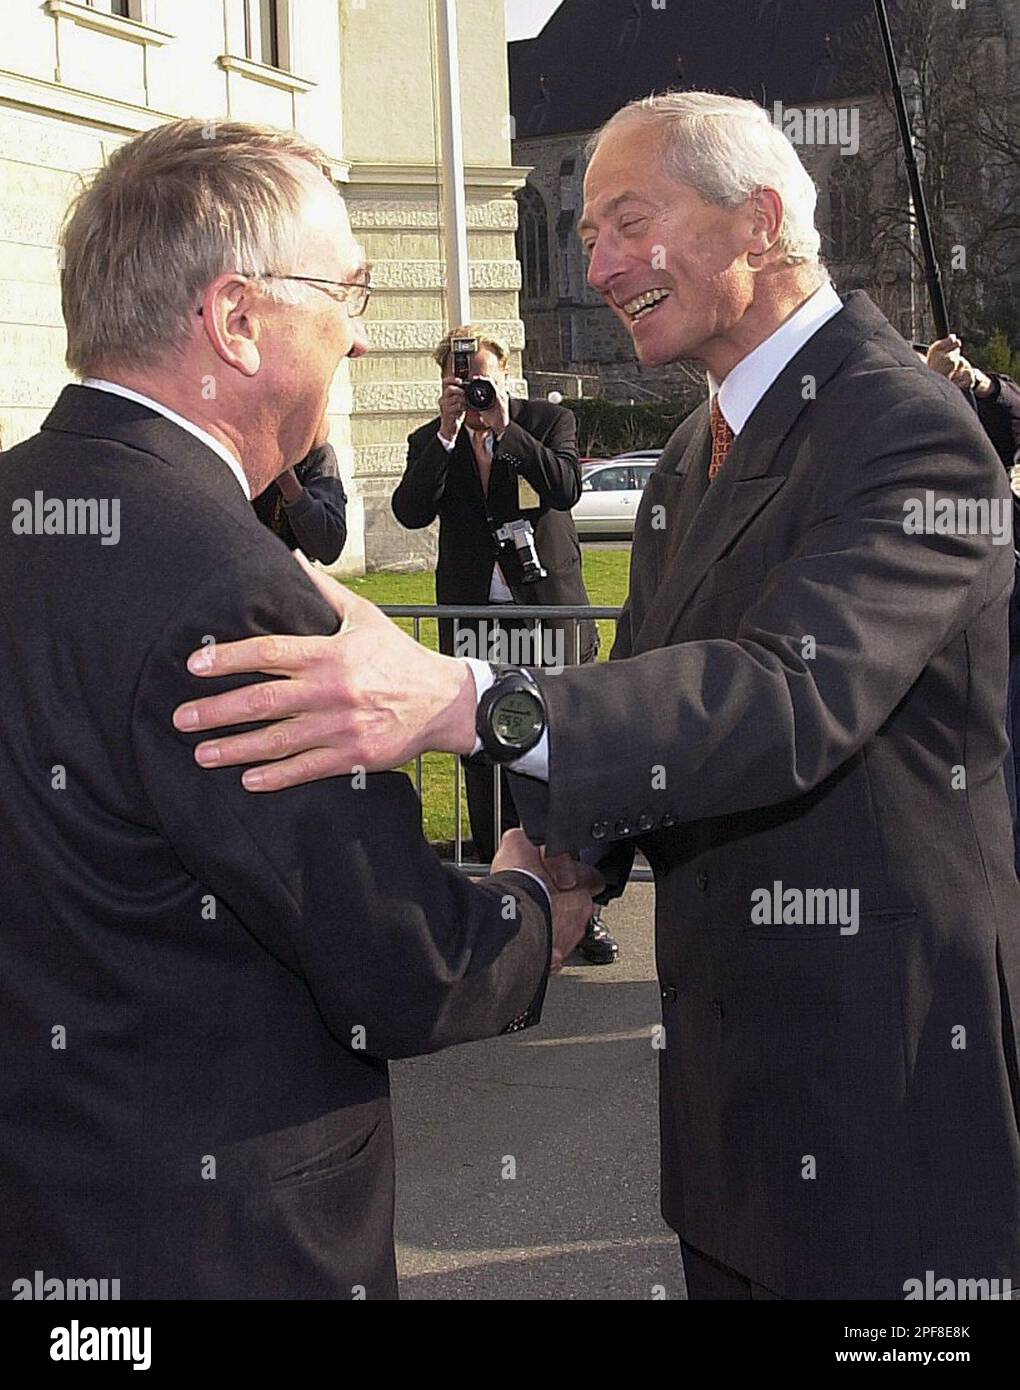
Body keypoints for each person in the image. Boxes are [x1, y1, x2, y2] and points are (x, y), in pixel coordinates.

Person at [169, 92, 1020, 1301]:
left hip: (887, 1096)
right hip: (735, 1122)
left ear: (761, 221)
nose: (597, 261)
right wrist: (545, 875)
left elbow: (786, 699)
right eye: (586, 229)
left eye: (629, 221)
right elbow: (646, 705)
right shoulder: (695, 449)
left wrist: (467, 699)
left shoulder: (911, 428)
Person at [0, 118, 601, 1301]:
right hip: (213, 1246)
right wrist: (533, 904)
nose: (365, 332)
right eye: (346, 291)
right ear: (235, 320)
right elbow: (392, 958)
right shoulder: (235, 585)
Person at [392, 326, 617, 964]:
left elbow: (565, 488)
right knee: (481, 753)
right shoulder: (433, 440)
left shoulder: (549, 421)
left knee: (560, 756)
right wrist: (447, 431)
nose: (474, 392)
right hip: (475, 621)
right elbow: (411, 510)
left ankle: (579, 905)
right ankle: (501, 904)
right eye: (461, 383)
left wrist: (504, 430)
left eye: (483, 378)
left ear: (507, 370)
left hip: (545, 616)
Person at [253, 412, 348, 563]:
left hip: (291, 572)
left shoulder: (316, 455)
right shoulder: (240, 454)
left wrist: (288, 482)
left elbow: (328, 547)